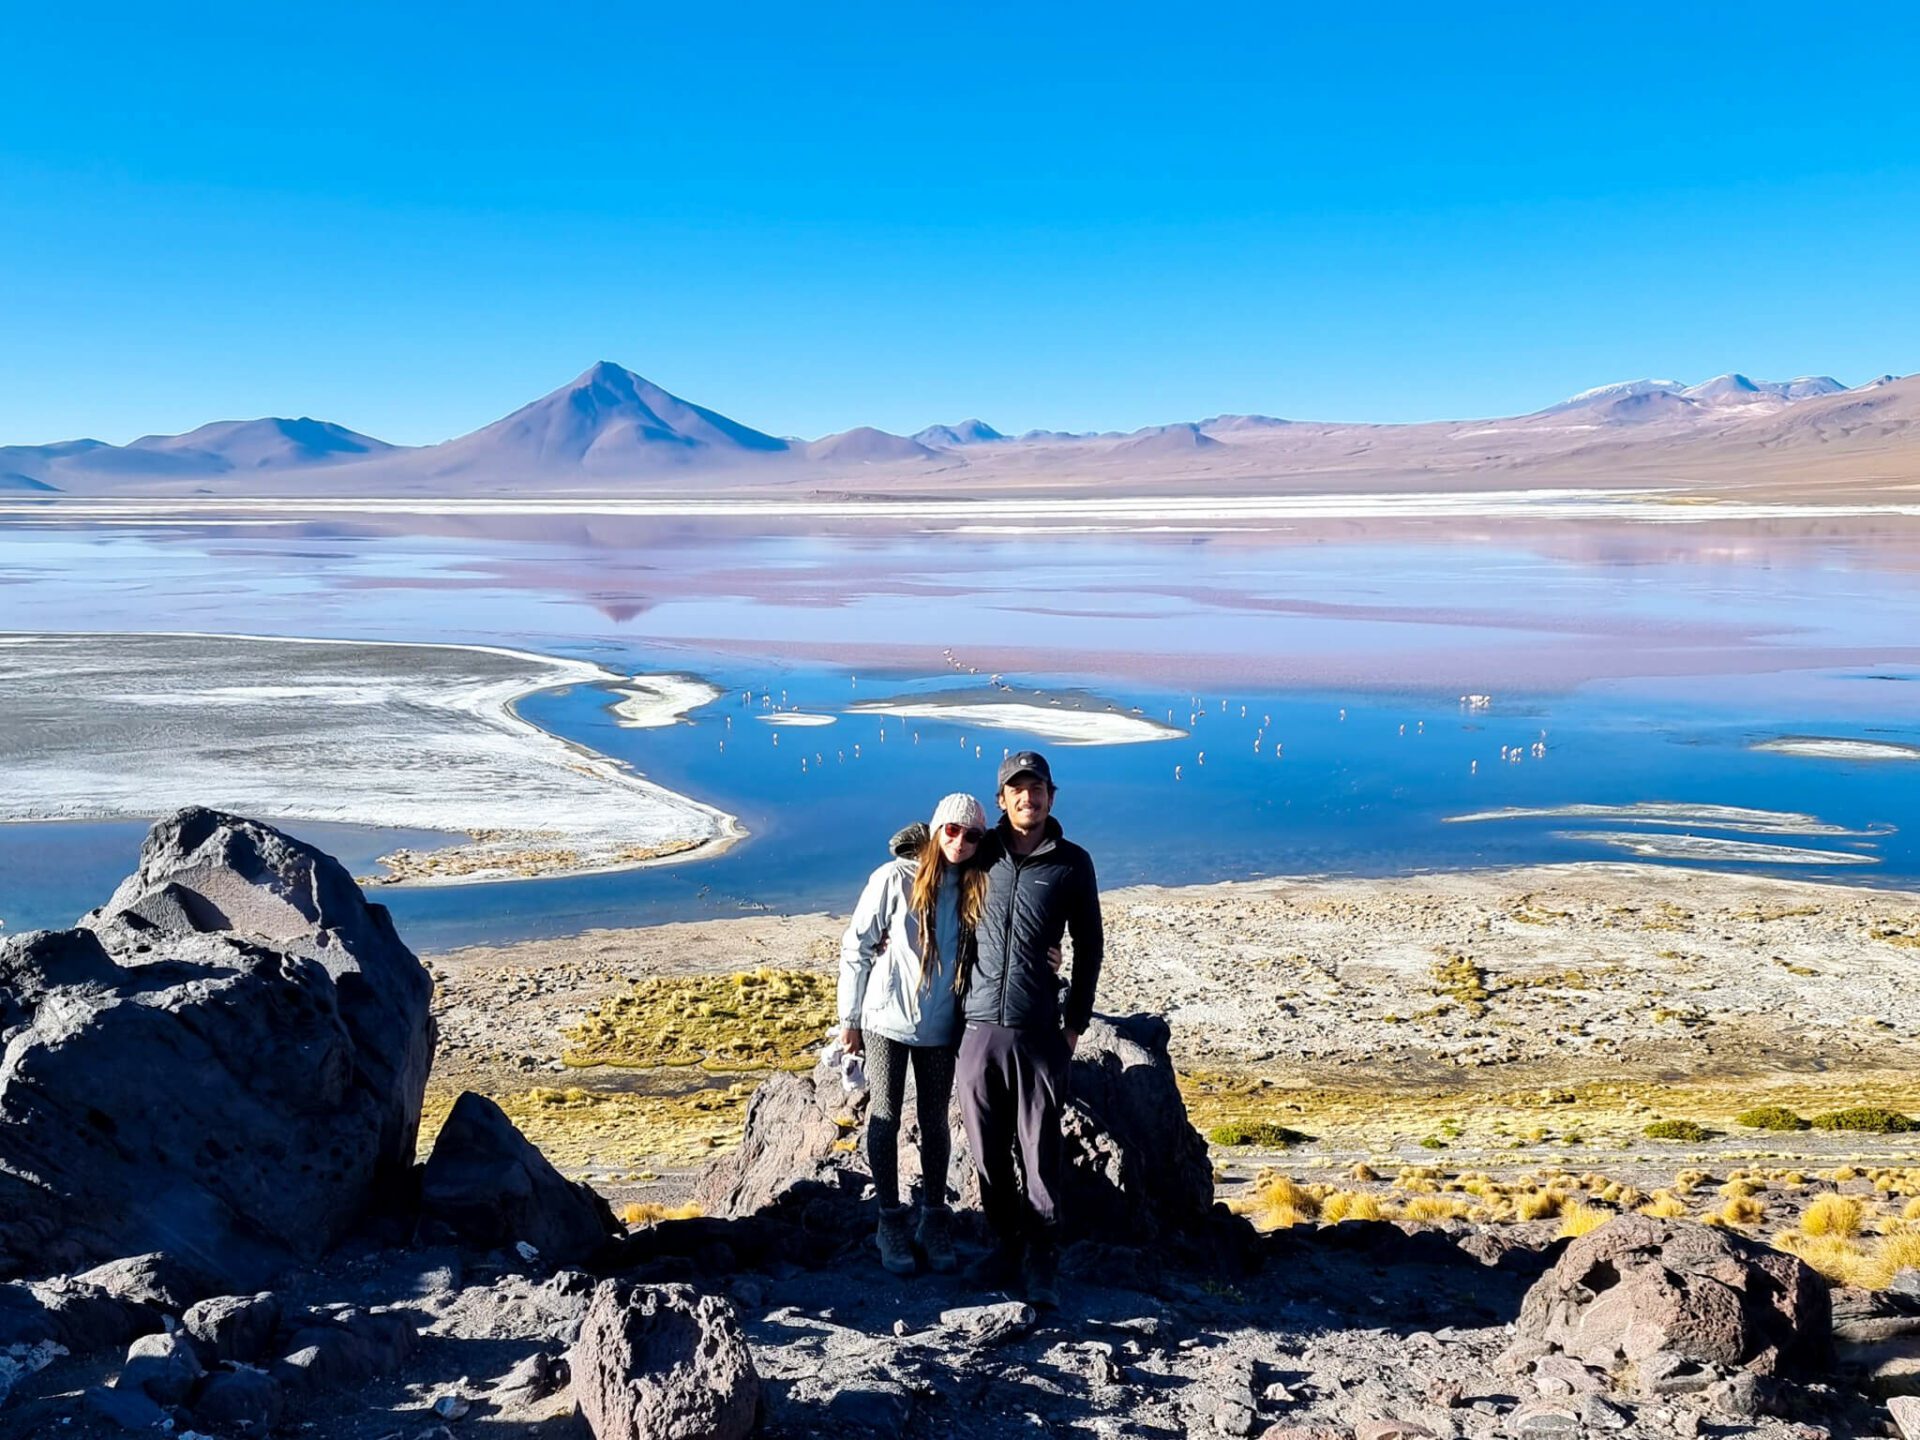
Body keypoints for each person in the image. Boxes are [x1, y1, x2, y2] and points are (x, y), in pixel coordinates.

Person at [957, 750, 1103, 1308]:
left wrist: (1075, 1025)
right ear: (1000, 800)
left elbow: (1089, 945)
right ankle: (1003, 1245)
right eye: (1016, 789)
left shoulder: (1071, 862)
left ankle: (1042, 1258)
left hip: (1039, 1030)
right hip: (978, 1028)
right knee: (987, 1150)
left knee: (1039, 1151)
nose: (1028, 797)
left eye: (1037, 787)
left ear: (1051, 795)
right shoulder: (980, 853)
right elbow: (928, 863)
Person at [838, 792, 989, 1275]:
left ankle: (933, 1218)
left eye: (971, 835)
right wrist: (851, 1018)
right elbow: (857, 946)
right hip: (885, 1021)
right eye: (952, 830)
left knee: (935, 1120)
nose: (960, 842)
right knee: (884, 1115)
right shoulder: (893, 879)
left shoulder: (977, 886)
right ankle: (889, 1220)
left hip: (942, 1026)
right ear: (936, 828)